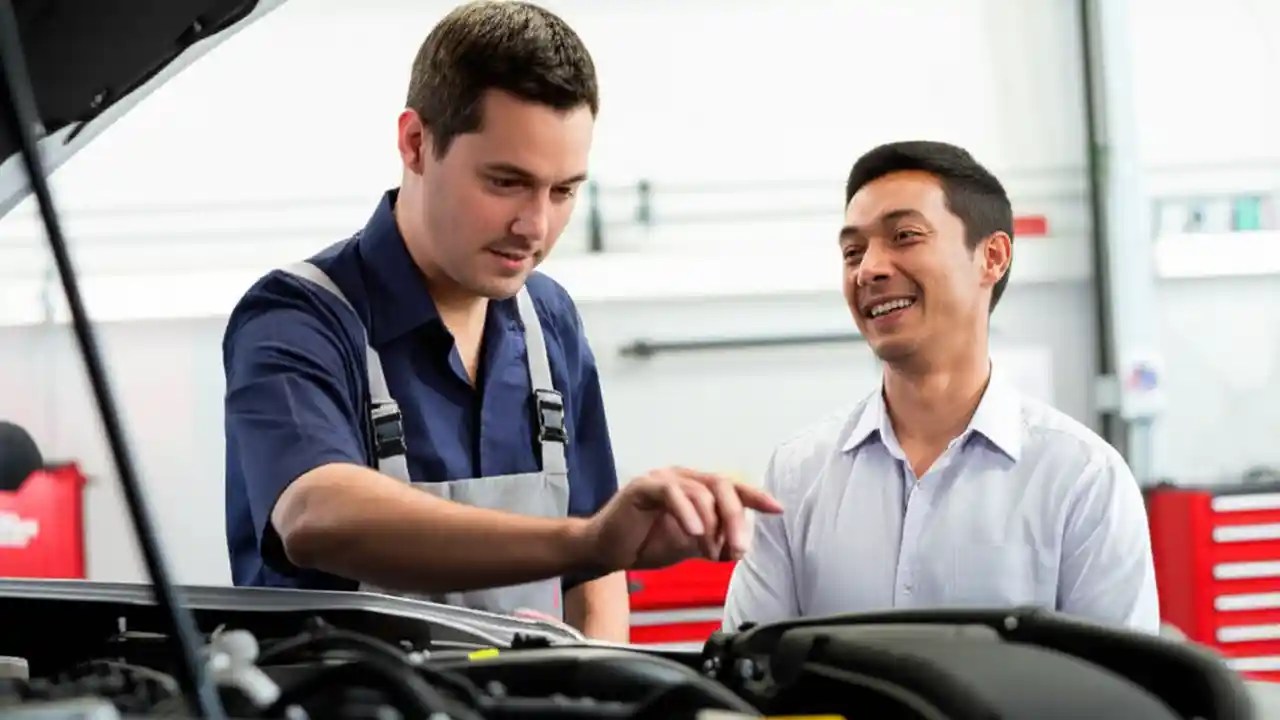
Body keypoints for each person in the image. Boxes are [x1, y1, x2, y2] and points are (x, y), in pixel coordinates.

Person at [222, 0, 781, 642]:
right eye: (505, 182)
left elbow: (594, 570)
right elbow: (317, 515)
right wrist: (584, 540)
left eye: (564, 190)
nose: (536, 227)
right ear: (415, 143)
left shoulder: (550, 322)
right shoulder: (298, 317)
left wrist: (602, 679)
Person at [721, 140, 1159, 634]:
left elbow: (1115, 693)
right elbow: (753, 677)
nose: (869, 269)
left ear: (991, 257)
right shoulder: (798, 475)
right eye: (852, 251)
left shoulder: (1081, 479)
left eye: (904, 236)